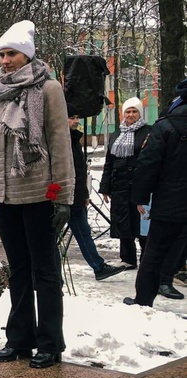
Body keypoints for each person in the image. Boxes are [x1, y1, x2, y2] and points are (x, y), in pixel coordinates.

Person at [0, 20, 74, 369]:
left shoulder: (48, 90)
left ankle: (50, 342)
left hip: (38, 195)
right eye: (1, 54)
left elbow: (60, 144)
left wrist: (62, 196)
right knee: (17, 269)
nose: (5, 60)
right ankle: (19, 339)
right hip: (4, 195)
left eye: (11, 53)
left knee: (44, 271)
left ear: (27, 55)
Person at [124, 79, 187, 307]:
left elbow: (148, 165)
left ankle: (143, 301)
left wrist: (140, 197)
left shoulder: (165, 126)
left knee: (155, 252)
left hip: (169, 203)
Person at [64, 105, 124, 281]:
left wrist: (84, 195)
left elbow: (79, 172)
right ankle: (44, 270)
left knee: (83, 233)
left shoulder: (73, 140)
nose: (76, 121)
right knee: (52, 238)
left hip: (75, 197)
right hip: (63, 197)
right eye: (72, 117)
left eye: (77, 117)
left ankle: (98, 267)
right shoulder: (61, 141)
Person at [100, 97, 151, 268]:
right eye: (128, 111)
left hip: (139, 184)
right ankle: (128, 259)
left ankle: (146, 258)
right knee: (123, 222)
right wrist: (105, 186)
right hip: (119, 186)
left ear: (140, 113)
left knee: (142, 223)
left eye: (134, 111)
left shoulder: (148, 132)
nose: (130, 115)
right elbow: (109, 162)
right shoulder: (117, 133)